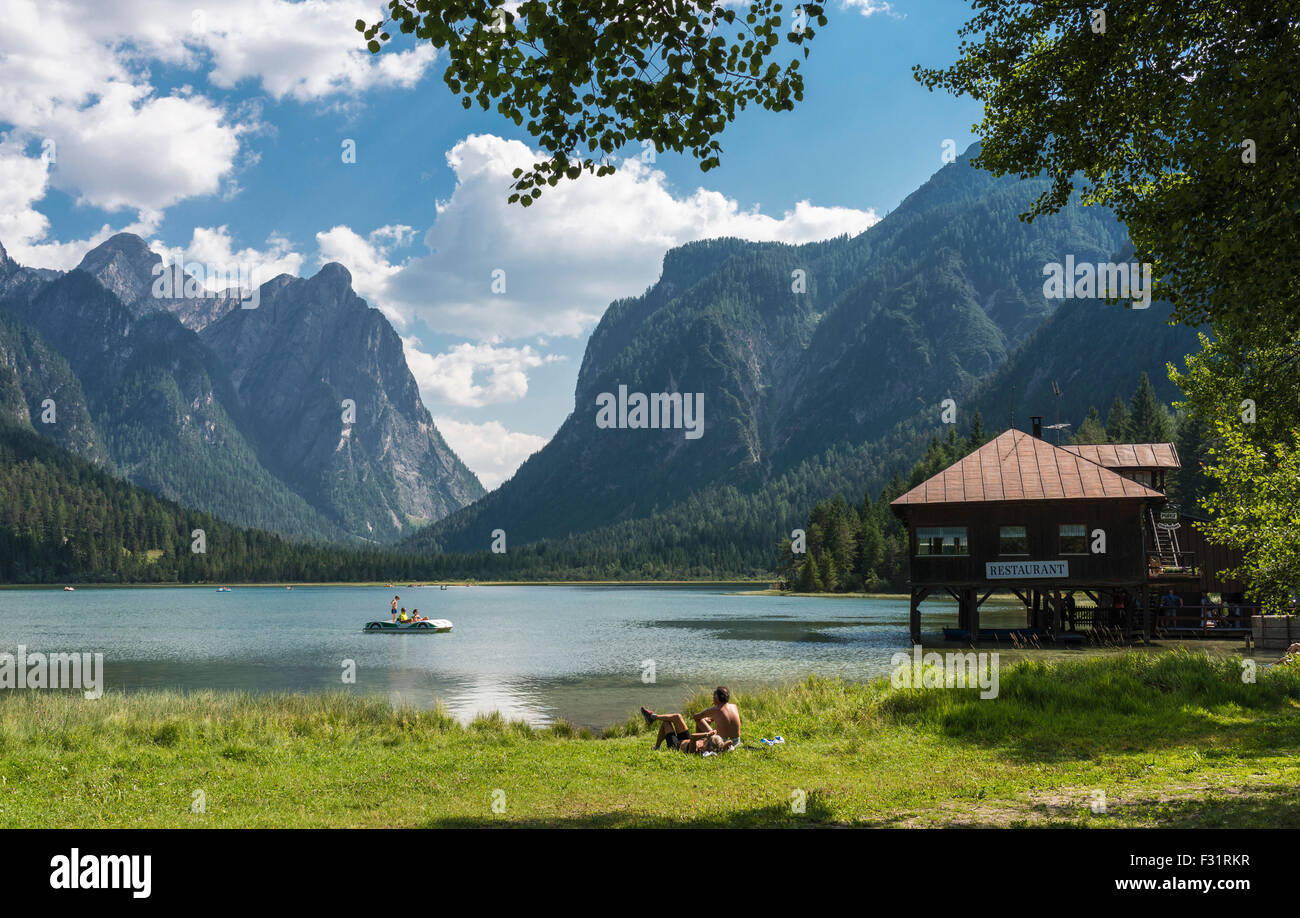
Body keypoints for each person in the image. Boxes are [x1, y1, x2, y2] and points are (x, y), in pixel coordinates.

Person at [641, 687, 741, 753]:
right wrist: (710, 720)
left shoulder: (715, 709)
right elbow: (726, 725)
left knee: (666, 722)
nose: (712, 699)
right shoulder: (734, 706)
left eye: (713, 696)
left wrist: (707, 731)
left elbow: (696, 718)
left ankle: (657, 746)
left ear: (717, 698)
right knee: (678, 717)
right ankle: (653, 717)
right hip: (735, 740)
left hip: (713, 741)